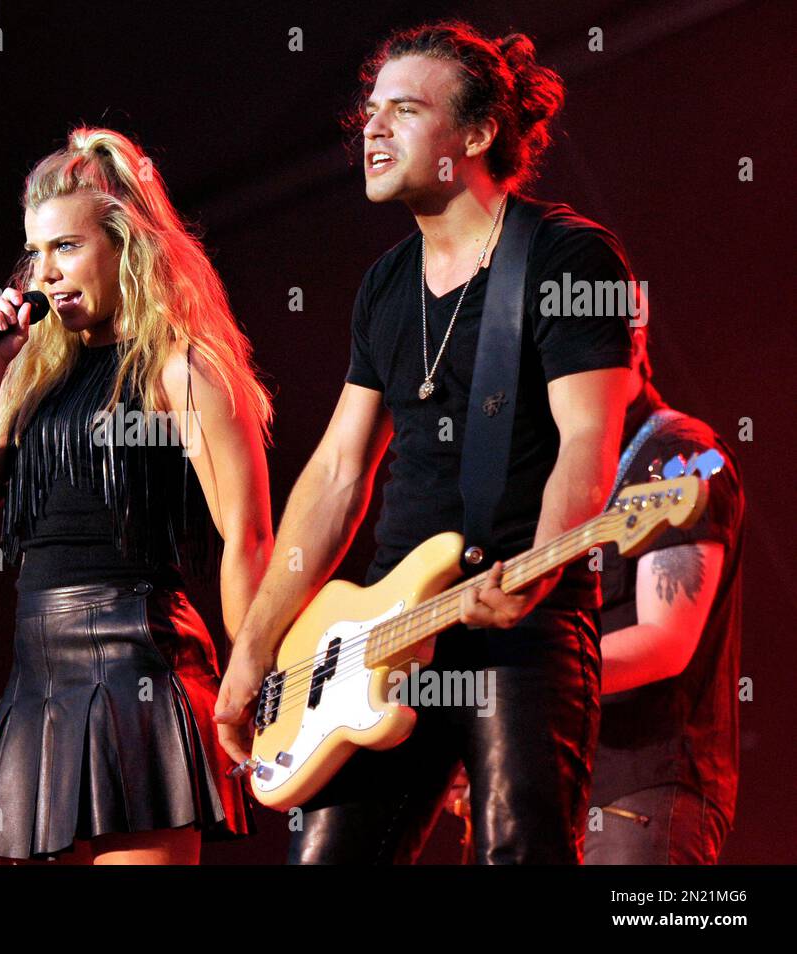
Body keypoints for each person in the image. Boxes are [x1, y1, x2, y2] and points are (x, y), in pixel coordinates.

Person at [215, 21, 634, 864]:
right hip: (382, 634)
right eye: (370, 113)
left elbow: (587, 441)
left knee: (521, 850)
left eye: (403, 111)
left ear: (476, 135)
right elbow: (337, 474)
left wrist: (540, 566)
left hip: (522, 623)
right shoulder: (385, 285)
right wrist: (254, 648)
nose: (371, 130)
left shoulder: (568, 257)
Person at [0, 127, 273, 864]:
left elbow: (247, 538)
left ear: (127, 246)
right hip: (38, 673)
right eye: (37, 252)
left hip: (138, 663)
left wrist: (246, 684)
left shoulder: (183, 369)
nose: (46, 273)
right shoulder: (34, 373)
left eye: (67, 247)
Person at [584, 320, 744, 864]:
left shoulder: (679, 456)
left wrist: (530, 683)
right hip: (564, 788)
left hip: (643, 788)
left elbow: (665, 642)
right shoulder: (575, 468)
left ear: (631, 344)